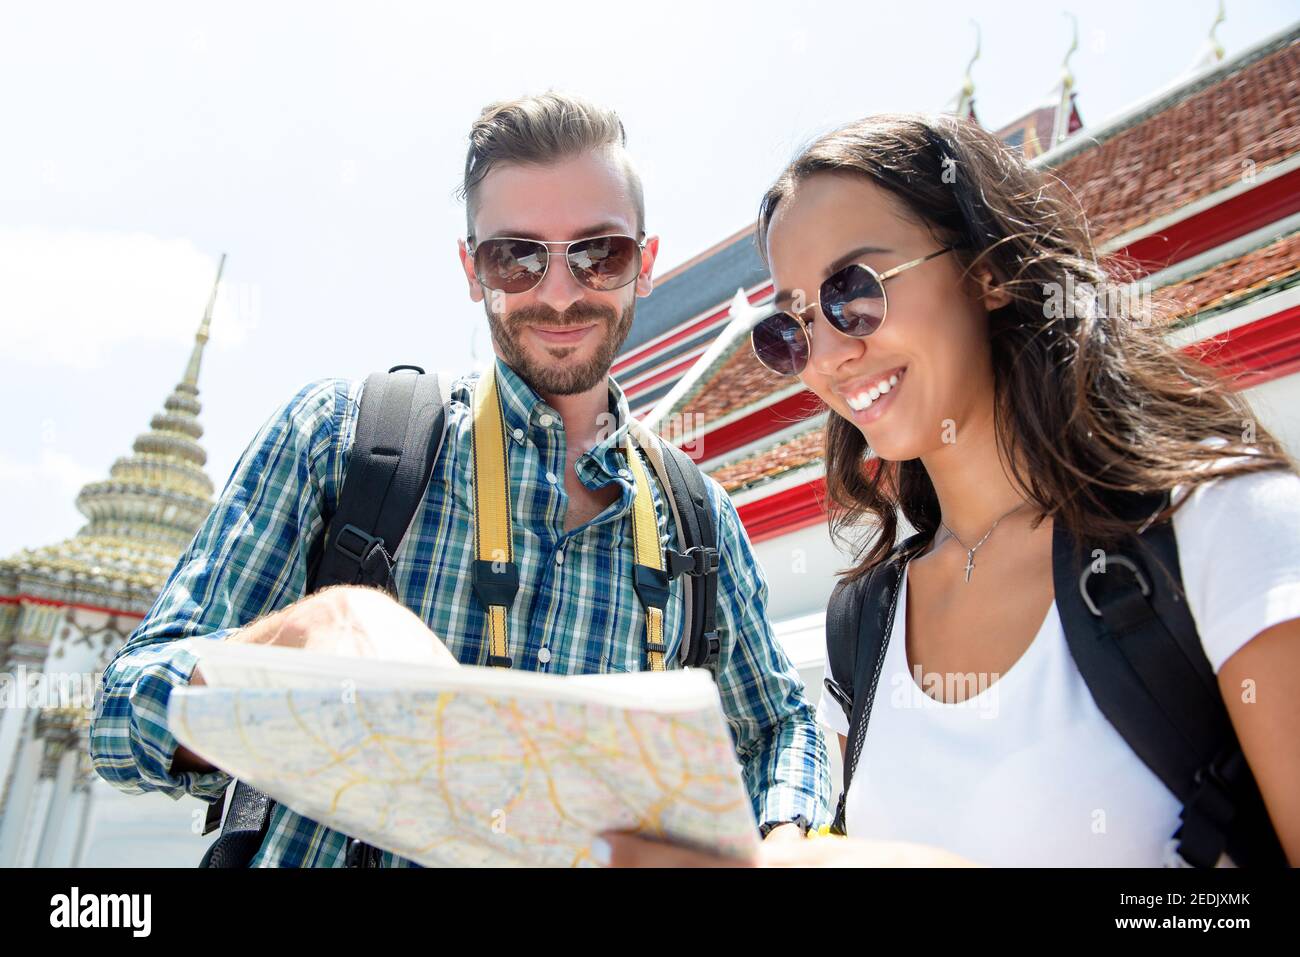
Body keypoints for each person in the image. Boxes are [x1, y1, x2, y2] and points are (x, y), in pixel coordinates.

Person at [89, 91, 831, 867]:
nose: (557, 291)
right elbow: (119, 713)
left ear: (644, 265)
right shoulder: (346, 440)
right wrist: (299, 636)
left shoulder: (696, 518)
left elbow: (780, 725)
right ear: (472, 269)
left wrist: (782, 842)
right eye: (516, 256)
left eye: (598, 253)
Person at [600, 111, 1300, 867]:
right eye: (791, 329)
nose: (829, 353)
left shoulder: (1218, 526)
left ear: (987, 271)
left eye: (854, 291)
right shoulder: (865, 622)